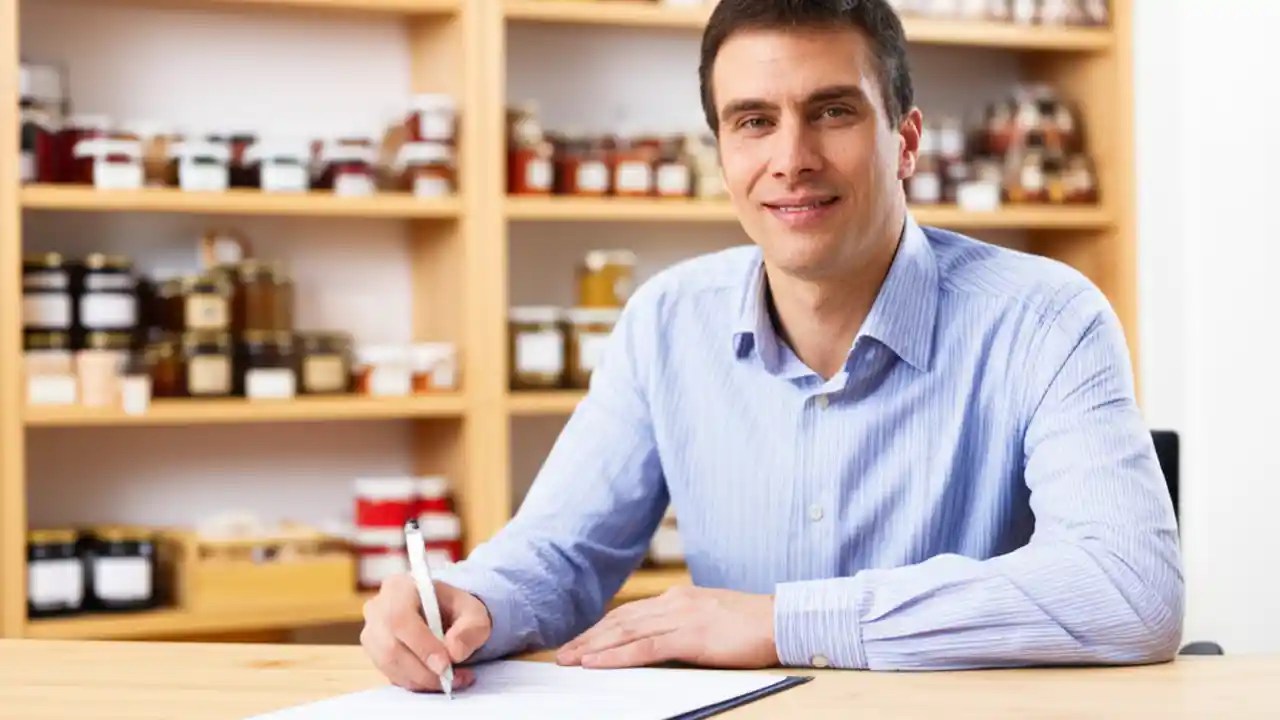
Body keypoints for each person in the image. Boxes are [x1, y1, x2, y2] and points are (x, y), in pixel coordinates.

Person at [360, 0, 1184, 690]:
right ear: (722, 153)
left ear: (905, 140)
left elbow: (1129, 588)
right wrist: (468, 600)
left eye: (833, 111)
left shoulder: (1046, 318)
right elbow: (562, 551)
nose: (791, 160)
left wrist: (782, 622)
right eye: (754, 122)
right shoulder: (666, 323)